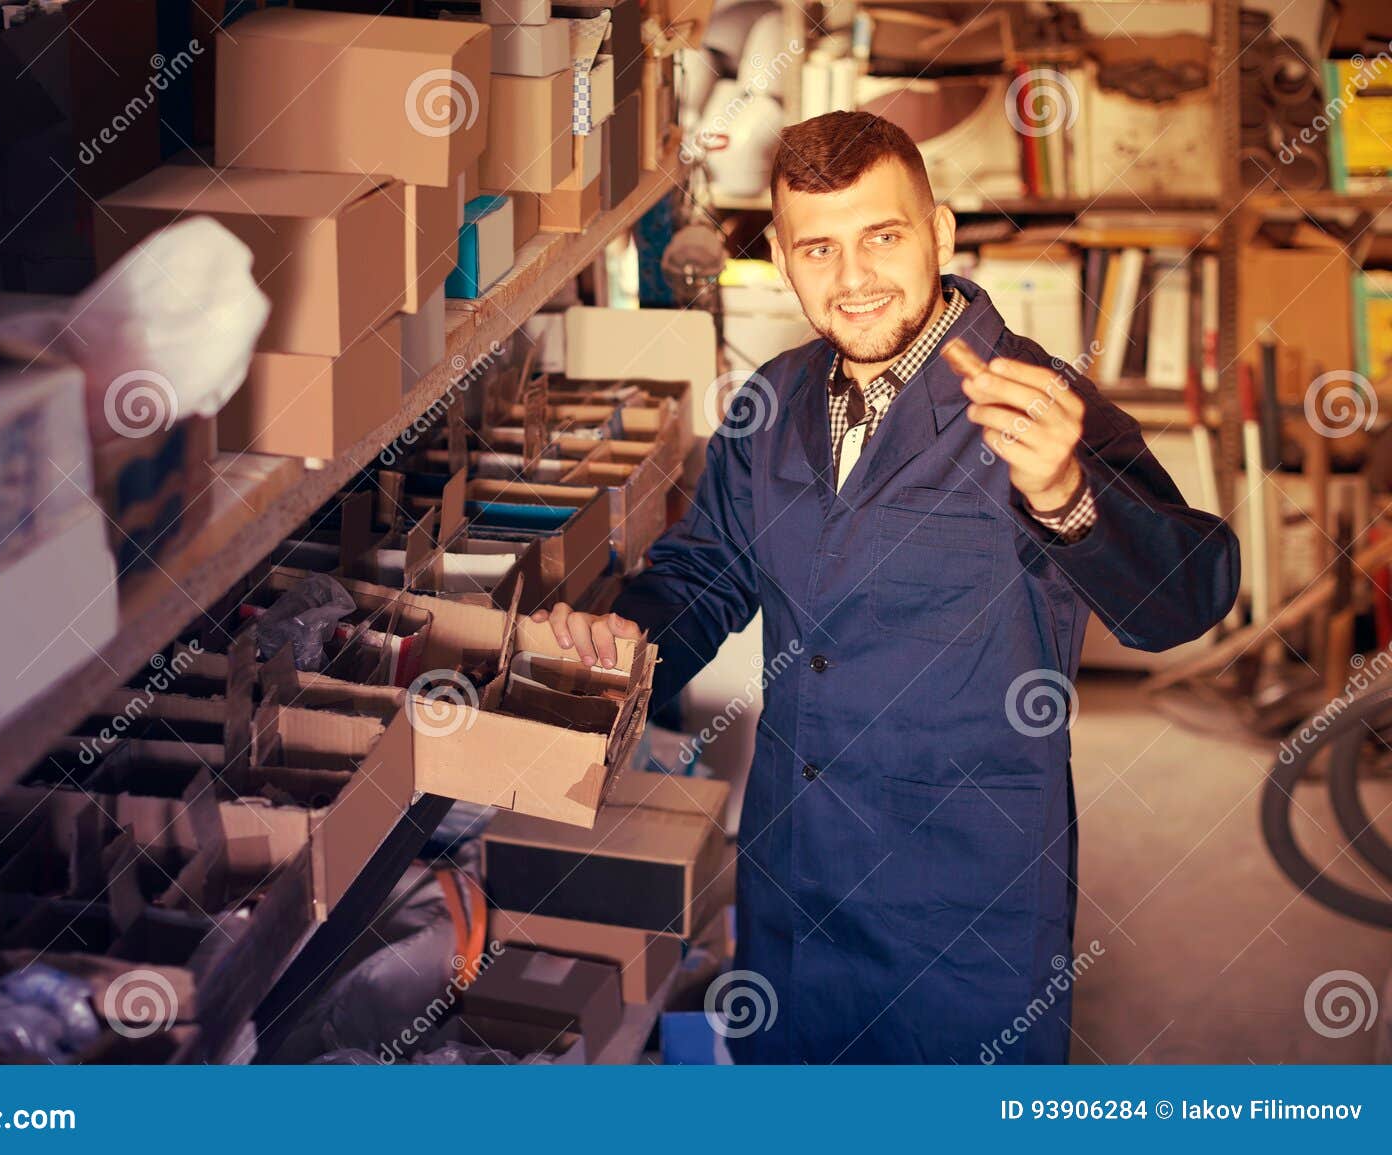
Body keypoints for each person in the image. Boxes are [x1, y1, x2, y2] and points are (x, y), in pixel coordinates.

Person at [530, 110, 1240, 1063]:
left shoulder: (1036, 400)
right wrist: (618, 643)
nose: (853, 279)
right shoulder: (772, 401)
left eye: (883, 237)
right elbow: (708, 572)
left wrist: (1068, 496)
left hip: (964, 908)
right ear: (781, 257)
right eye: (818, 247)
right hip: (793, 881)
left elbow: (1189, 597)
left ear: (941, 233)